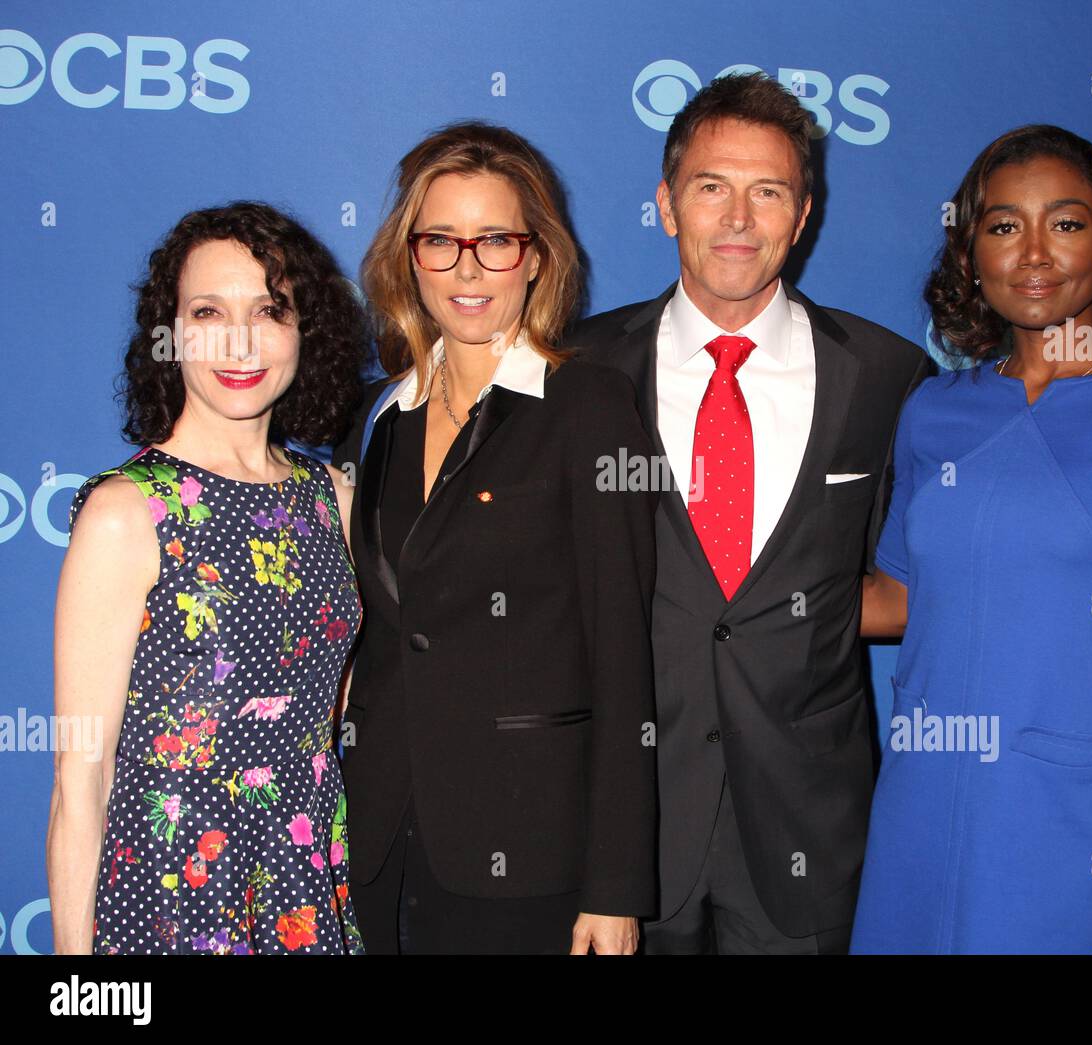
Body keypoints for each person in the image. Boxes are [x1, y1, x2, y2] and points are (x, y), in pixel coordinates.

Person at [852, 125, 1092, 954]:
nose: (1034, 252)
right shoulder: (935, 409)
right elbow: (898, 599)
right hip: (916, 801)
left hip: (1063, 822)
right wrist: (739, 586)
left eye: (1065, 223)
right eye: (1002, 226)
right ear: (970, 254)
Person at [569, 72, 928, 954]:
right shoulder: (578, 369)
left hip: (808, 830)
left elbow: (915, 582)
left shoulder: (886, 375)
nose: (738, 218)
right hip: (624, 832)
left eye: (768, 191)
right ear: (665, 204)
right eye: (711, 187)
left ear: (802, 216)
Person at [331, 122, 657, 955]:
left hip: (528, 842)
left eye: (496, 241)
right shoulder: (378, 415)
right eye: (440, 240)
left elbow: (624, 650)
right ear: (409, 256)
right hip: (376, 834)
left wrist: (615, 885)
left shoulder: (590, 406)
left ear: (538, 256)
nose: (467, 268)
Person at [48, 201, 370, 954]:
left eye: (267, 308)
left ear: (302, 330)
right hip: (167, 893)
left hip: (304, 880)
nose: (238, 339)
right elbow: (80, 773)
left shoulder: (336, 501)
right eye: (207, 310)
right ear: (170, 333)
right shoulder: (127, 512)